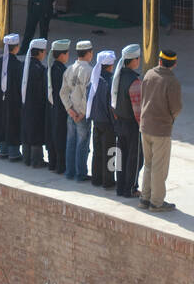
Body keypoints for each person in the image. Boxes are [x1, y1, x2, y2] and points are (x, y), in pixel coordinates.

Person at [139, 49, 182, 212]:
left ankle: (145, 197)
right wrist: (170, 119)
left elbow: (143, 97)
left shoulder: (149, 74)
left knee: (148, 163)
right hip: (161, 129)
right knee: (159, 167)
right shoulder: (172, 82)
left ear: (159, 61)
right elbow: (176, 108)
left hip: (145, 126)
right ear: (174, 64)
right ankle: (156, 202)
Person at [112, 43, 142, 198]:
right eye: (138, 58)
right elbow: (138, 111)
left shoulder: (117, 77)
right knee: (135, 158)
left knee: (121, 156)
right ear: (134, 60)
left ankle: (120, 186)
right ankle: (131, 188)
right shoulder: (135, 82)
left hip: (120, 122)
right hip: (132, 125)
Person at [61, 40, 94, 181]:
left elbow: (63, 92)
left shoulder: (69, 69)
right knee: (82, 144)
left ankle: (70, 172)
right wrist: (82, 113)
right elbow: (88, 95)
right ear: (89, 53)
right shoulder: (90, 71)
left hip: (71, 113)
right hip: (81, 115)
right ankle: (80, 174)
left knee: (71, 143)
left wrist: (70, 109)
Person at [87, 50, 117, 189]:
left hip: (96, 121)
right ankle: (108, 181)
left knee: (98, 151)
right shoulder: (110, 81)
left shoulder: (95, 79)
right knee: (111, 152)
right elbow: (112, 105)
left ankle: (96, 178)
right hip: (108, 122)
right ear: (110, 65)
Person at [21, 37, 49, 168]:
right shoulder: (40, 69)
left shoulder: (25, 66)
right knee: (36, 133)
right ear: (39, 52)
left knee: (27, 131)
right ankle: (36, 160)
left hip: (25, 105)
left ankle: (26, 158)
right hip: (37, 106)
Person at [0, 33, 23, 161]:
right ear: (16, 47)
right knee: (13, 124)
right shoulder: (17, 65)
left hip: (0, 100)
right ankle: (14, 152)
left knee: (2, 122)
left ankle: (3, 150)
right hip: (14, 101)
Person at [46, 39, 71, 174]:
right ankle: (61, 166)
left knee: (53, 135)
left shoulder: (51, 68)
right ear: (62, 55)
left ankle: (52, 163)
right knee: (61, 137)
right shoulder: (62, 71)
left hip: (53, 108)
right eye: (67, 53)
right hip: (61, 110)